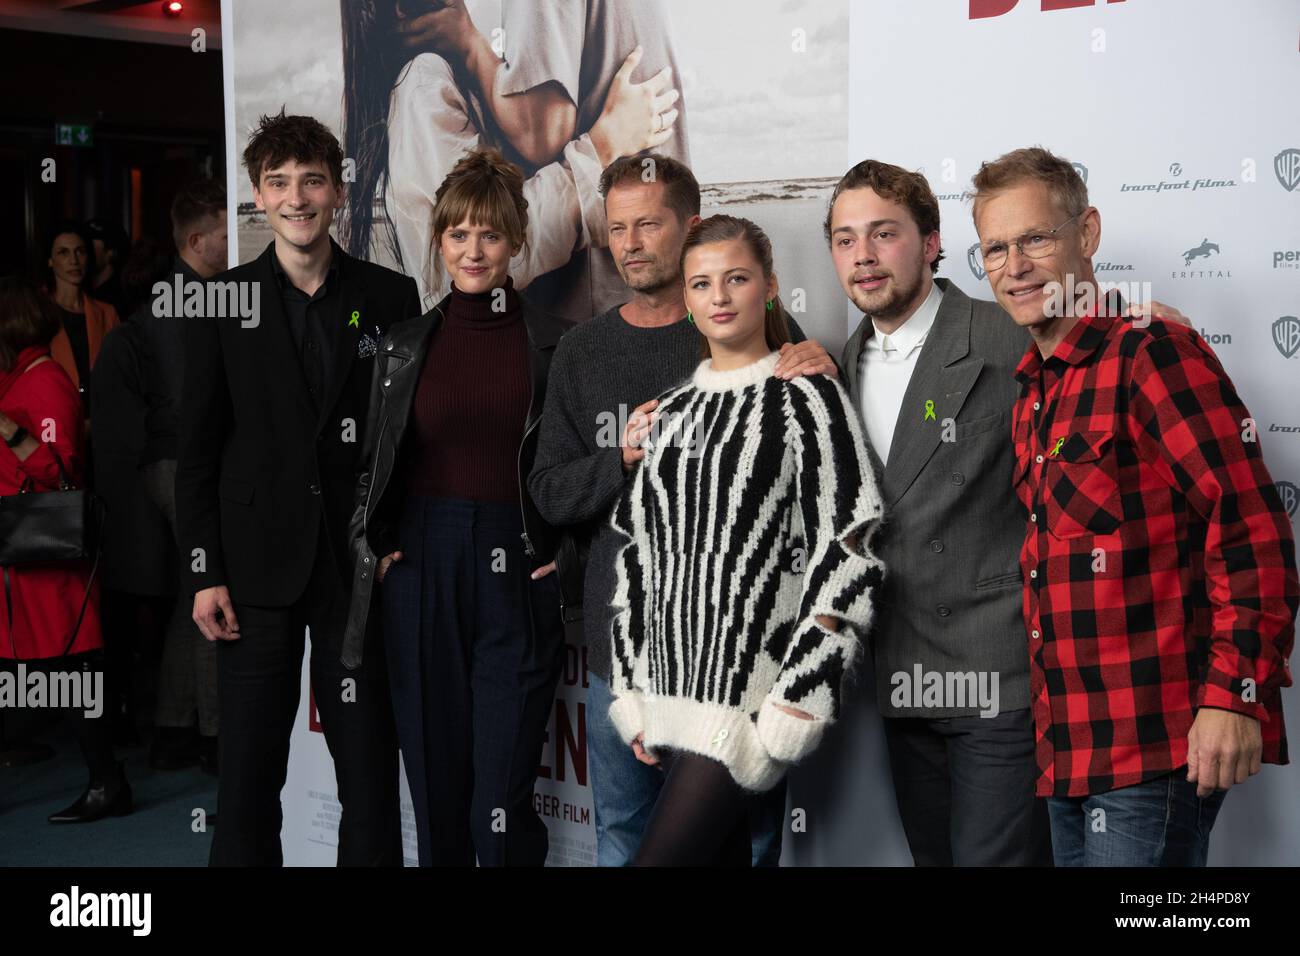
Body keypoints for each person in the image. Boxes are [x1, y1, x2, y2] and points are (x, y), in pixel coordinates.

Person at [831, 160, 1193, 867]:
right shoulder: (843, 361)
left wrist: (1133, 309)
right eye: (846, 240)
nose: (865, 256)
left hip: (1003, 679)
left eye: (884, 234)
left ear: (932, 243)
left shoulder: (1005, 329)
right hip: (904, 677)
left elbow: (1082, 331)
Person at [970, 146, 1298, 866]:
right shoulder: (1033, 389)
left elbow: (1248, 529)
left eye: (1035, 239)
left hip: (1155, 745)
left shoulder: (1151, 354)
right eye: (994, 248)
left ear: (1086, 234)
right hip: (1069, 751)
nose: (1014, 265)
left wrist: (1235, 695)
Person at [527, 154, 837, 866]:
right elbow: (549, 491)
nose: (630, 243)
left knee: (748, 847)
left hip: (736, 665)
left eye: (649, 225)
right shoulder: (582, 350)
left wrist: (821, 369)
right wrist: (621, 460)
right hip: (620, 657)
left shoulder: (757, 337)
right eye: (617, 229)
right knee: (624, 843)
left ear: (691, 226)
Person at [176, 111, 418, 866]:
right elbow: (197, 453)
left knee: (370, 775)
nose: (296, 197)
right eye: (278, 182)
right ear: (257, 195)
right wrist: (204, 570)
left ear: (337, 191)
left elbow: (404, 437)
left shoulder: (389, 295)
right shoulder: (223, 301)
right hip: (252, 573)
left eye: (311, 180)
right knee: (247, 780)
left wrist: (395, 542)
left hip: (355, 572)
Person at [605, 214, 884, 865]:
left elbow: (848, 552)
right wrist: (634, 692)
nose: (720, 296)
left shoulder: (806, 399)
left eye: (736, 278)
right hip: (670, 698)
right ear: (688, 297)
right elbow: (641, 562)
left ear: (768, 285)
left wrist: (800, 696)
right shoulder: (670, 413)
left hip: (749, 702)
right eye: (702, 284)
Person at [345, 146, 570, 867]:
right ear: (439, 239)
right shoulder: (404, 345)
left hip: (518, 567)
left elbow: (576, 471)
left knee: (500, 802)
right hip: (422, 565)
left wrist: (564, 552)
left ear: (515, 241)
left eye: (491, 234)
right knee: (436, 793)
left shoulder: (556, 345)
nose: (473, 251)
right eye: (458, 234)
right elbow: (370, 464)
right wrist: (373, 547)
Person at [340, 0, 685, 320]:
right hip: (493, 347)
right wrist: (603, 145)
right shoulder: (423, 82)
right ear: (402, 10)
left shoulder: (447, 75)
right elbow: (480, 250)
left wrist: (472, 47)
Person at [0, 275, 129, 823]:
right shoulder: (19, 376)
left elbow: (61, 470)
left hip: (47, 559)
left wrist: (8, 430)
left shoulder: (46, 379)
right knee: (52, 672)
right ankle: (100, 776)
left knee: (74, 670)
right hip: (23, 559)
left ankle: (108, 782)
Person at [137, 179, 230, 772]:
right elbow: (192, 407)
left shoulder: (173, 297)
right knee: (210, 590)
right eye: (225, 237)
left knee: (186, 596)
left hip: (166, 463)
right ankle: (215, 736)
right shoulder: (187, 305)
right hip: (183, 465)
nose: (233, 245)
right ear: (198, 241)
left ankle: (174, 728)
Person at [43, 223, 119, 409]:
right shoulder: (38, 312)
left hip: (100, 419)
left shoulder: (107, 313)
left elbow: (120, 372)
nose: (74, 260)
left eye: (80, 251)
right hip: (53, 416)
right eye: (63, 252)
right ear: (50, 260)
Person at [84, 219, 129, 317]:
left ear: (110, 252)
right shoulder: (81, 293)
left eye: (89, 243)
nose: (82, 247)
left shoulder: (120, 302)